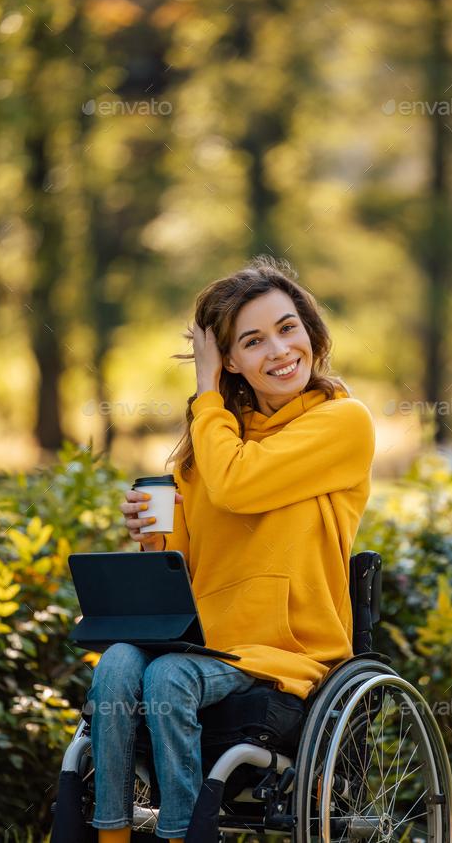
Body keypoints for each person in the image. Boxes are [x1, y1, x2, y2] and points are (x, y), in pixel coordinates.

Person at [86, 255, 375, 842]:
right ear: (234, 361)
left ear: (310, 331)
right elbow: (187, 567)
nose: (280, 350)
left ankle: (183, 836)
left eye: (288, 327)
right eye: (253, 340)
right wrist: (153, 537)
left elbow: (240, 485)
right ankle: (110, 834)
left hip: (284, 654)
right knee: (117, 661)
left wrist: (204, 392)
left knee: (166, 676)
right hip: (203, 648)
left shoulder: (344, 423)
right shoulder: (215, 444)